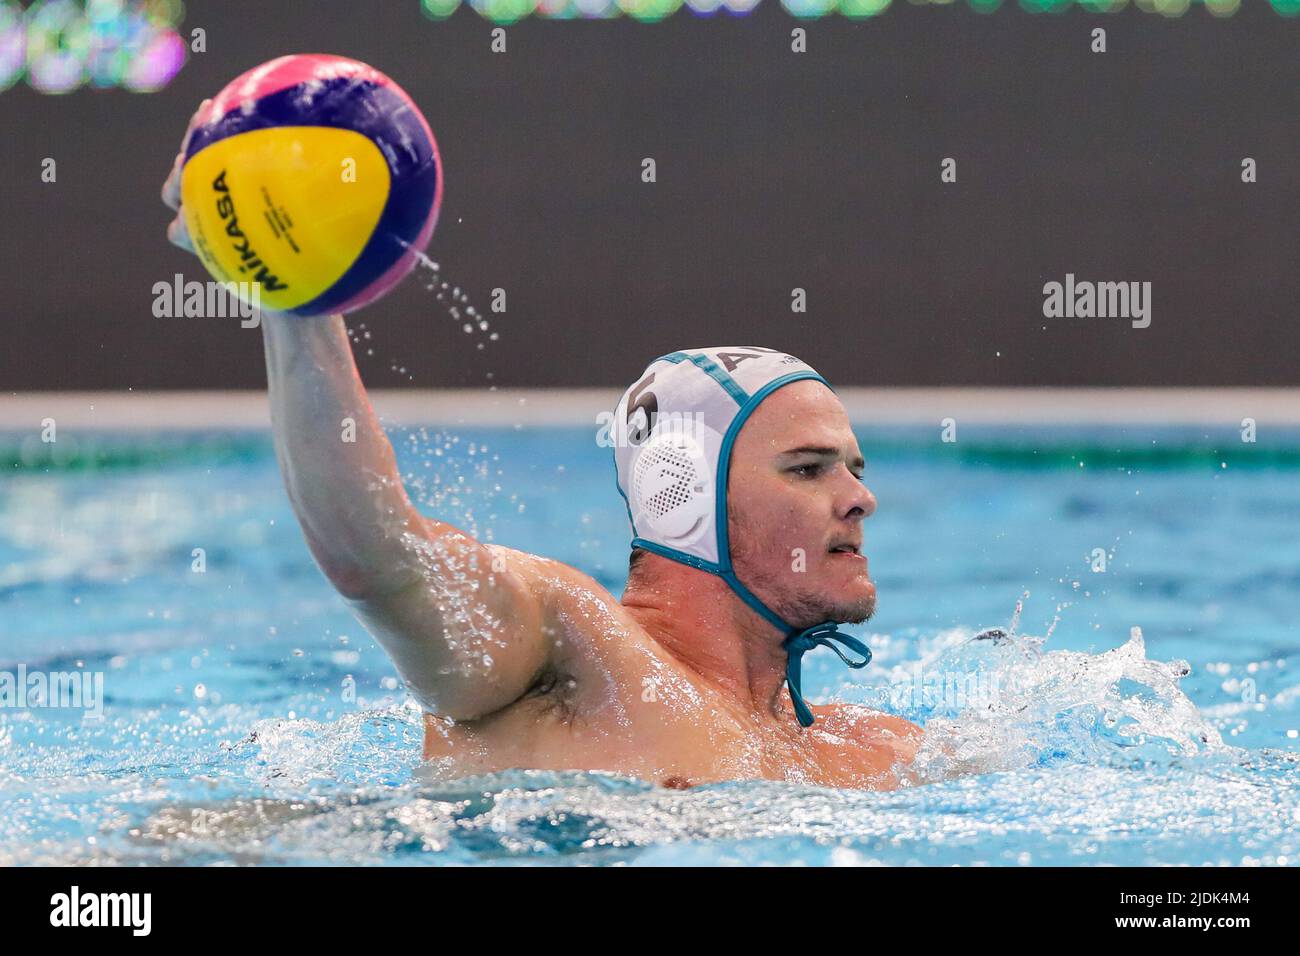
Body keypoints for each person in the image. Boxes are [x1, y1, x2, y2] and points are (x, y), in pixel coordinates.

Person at [161, 104, 922, 791]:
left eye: (854, 467)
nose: (860, 496)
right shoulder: (568, 653)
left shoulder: (871, 751)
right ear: (684, 498)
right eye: (809, 468)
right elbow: (379, 558)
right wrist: (295, 299)